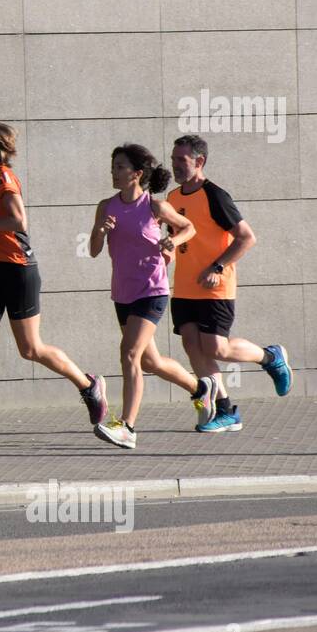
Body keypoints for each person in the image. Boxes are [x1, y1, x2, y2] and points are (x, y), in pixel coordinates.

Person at [0, 118, 107, 445]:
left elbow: (19, 220)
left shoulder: (4, 178)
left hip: (19, 269)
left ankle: (88, 385)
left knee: (30, 349)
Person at [89, 144, 213, 450]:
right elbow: (93, 250)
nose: (113, 171)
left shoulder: (154, 207)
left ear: (137, 174)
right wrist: (101, 232)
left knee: (130, 353)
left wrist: (171, 239)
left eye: (120, 167)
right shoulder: (105, 206)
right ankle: (199, 388)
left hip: (152, 291)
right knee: (150, 360)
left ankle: (127, 426)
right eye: (113, 165)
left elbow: (189, 228)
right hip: (123, 293)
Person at [168, 135, 293, 433]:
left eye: (181, 161)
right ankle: (225, 410)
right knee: (191, 344)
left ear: (199, 162)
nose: (176, 165)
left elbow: (247, 237)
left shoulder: (215, 196)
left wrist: (217, 266)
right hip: (184, 287)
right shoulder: (172, 199)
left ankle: (270, 356)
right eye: (173, 159)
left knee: (217, 349)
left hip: (215, 286)